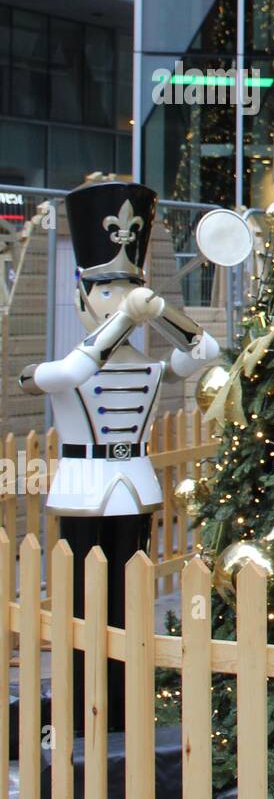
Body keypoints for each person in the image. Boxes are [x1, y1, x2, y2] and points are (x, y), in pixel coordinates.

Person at [19, 179, 221, 732]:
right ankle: (84, 709)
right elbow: (74, 372)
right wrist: (123, 321)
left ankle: (126, 704)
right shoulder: (63, 364)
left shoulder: (150, 368)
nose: (118, 301)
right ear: (83, 292)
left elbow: (206, 352)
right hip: (83, 493)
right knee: (85, 607)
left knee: (128, 602)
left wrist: (161, 315)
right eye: (107, 291)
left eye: (127, 289)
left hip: (134, 487)